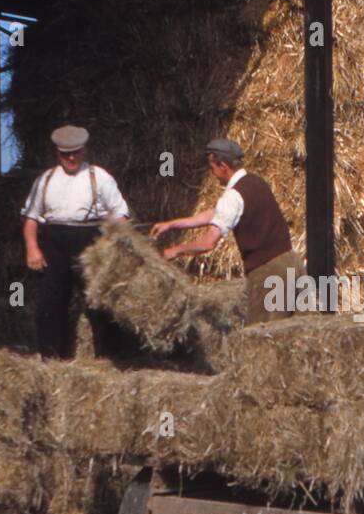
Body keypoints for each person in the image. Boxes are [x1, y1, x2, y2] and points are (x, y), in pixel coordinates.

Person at [151, 138, 302, 326]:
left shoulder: (233, 195)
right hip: (292, 264)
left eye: (212, 167)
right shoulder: (254, 182)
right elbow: (217, 213)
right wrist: (172, 224)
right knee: (298, 332)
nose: (212, 174)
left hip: (270, 274)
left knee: (265, 336)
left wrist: (174, 251)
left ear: (222, 165)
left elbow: (208, 243)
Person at [21, 124, 130, 358]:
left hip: (90, 240)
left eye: (76, 152)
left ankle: (109, 358)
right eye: (64, 153)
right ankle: (50, 358)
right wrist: (32, 248)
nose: (71, 157)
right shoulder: (45, 180)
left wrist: (114, 247)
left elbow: (120, 214)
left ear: (84, 151)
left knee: (99, 301)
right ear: (57, 153)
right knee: (50, 304)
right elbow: (31, 219)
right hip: (54, 243)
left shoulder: (100, 177)